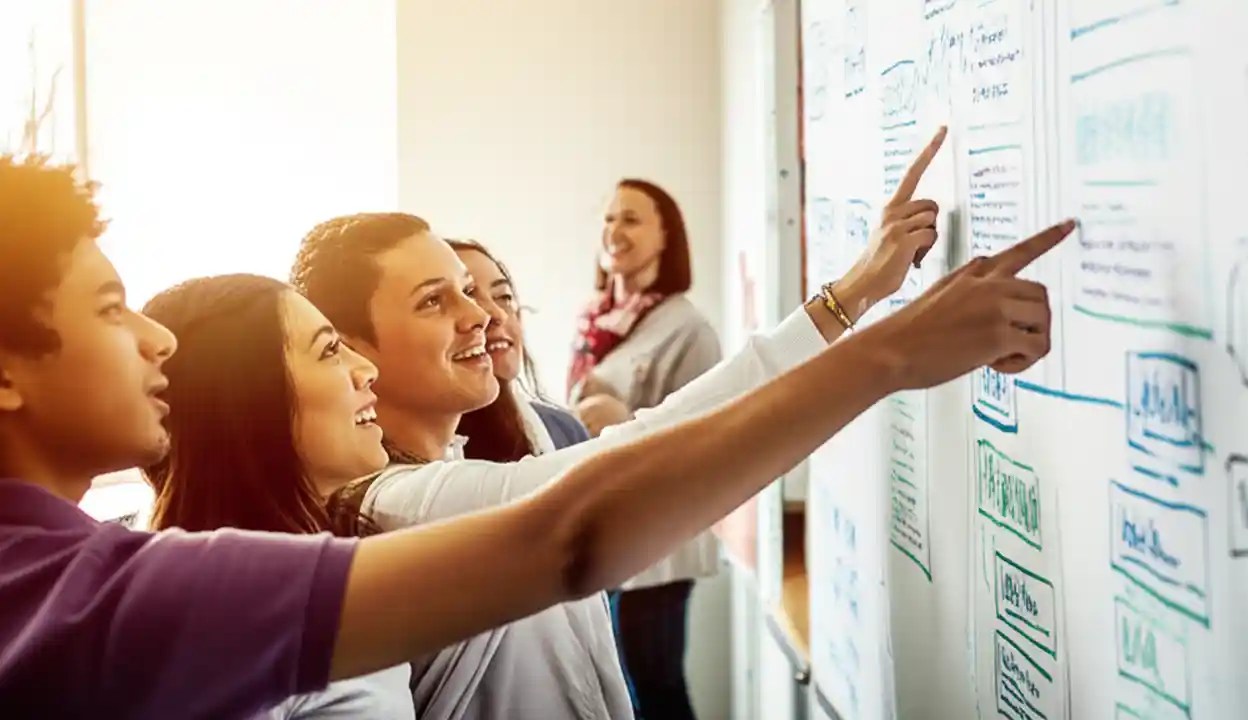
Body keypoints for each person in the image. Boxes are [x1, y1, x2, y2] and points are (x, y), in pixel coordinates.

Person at [0, 131, 1072, 717]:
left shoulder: (130, 568)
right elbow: (574, 522)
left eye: (483, 290)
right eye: (106, 309)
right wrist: (881, 351)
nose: (484, 318)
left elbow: (635, 450)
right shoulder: (358, 515)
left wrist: (848, 308)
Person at [139, 274, 415, 719]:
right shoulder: (225, 622)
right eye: (329, 350)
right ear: (248, 397)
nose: (367, 369)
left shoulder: (331, 560)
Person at [565, 178, 722, 717]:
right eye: (609, 219)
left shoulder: (689, 329)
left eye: (631, 219)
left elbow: (710, 445)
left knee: (654, 693)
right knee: (619, 698)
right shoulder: (595, 321)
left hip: (658, 545)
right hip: (604, 535)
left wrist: (621, 421)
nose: (614, 230)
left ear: (665, 237)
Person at [450, 237, 590, 461]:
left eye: (504, 296)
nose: (497, 314)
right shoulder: (422, 457)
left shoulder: (565, 432)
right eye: (468, 296)